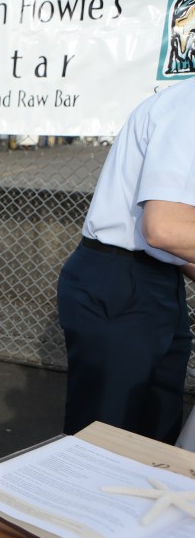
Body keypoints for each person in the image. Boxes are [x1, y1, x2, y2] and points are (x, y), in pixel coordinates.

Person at [58, 78, 195, 443]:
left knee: (154, 439)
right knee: (104, 442)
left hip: (154, 277)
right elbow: (164, 228)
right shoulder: (189, 108)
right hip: (122, 279)